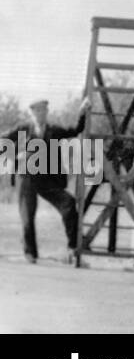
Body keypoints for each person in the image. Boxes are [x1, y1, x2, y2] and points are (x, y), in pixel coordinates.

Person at [2, 96, 91, 264]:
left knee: (68, 203)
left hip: (46, 180)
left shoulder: (54, 130)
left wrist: (82, 111)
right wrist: (15, 156)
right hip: (26, 178)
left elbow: (75, 130)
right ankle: (30, 254)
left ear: (47, 112)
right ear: (31, 113)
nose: (40, 114)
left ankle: (73, 247)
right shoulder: (23, 129)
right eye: (36, 111)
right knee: (27, 218)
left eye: (43, 110)